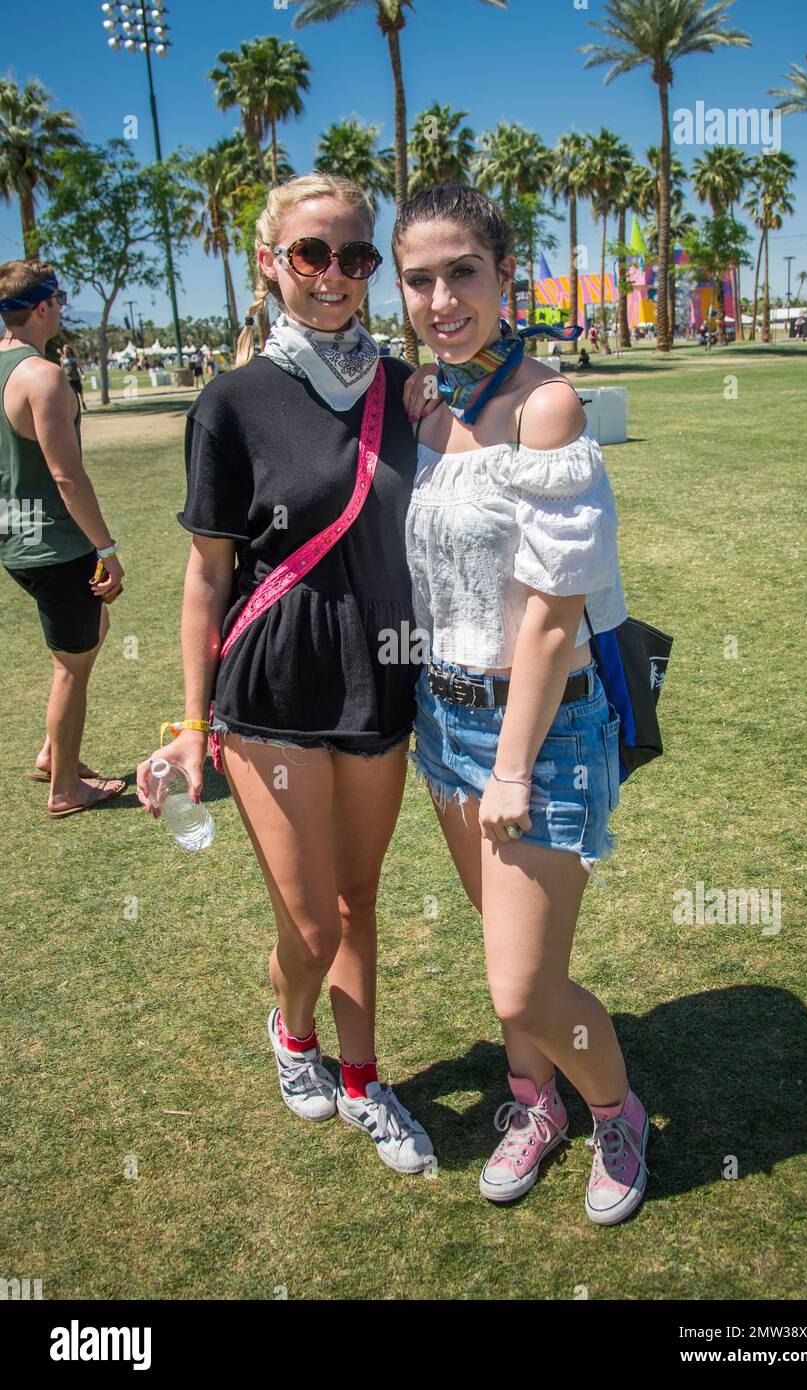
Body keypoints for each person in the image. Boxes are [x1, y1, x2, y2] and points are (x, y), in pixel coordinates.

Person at [135, 174, 434, 1176]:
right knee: (307, 921)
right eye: (313, 253)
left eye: (357, 257)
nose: (336, 276)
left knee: (357, 899)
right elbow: (204, 575)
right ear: (272, 262)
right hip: (268, 688)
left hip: (380, 681)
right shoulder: (231, 401)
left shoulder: (407, 389)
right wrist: (188, 720)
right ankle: (289, 1027)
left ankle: (361, 1077)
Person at [396, 186, 650, 1225]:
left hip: (535, 730)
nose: (442, 296)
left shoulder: (543, 404)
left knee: (520, 989)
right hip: (441, 719)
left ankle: (617, 1108)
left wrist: (509, 763)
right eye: (420, 278)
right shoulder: (428, 401)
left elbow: (552, 614)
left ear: (505, 274)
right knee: (502, 943)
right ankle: (532, 1101)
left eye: (463, 271)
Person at [0, 260, 125, 814]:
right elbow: (66, 476)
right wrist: (108, 549)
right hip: (56, 543)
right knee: (71, 664)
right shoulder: (43, 376)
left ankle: (57, 751)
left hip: (16, 539)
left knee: (93, 626)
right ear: (45, 306)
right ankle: (65, 787)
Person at [60, 343, 87, 412]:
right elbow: (62, 368)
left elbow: (79, 367)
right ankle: (72, 406)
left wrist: (82, 374)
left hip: (76, 377)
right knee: (70, 393)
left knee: (80, 392)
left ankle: (82, 402)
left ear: (69, 350)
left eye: (66, 350)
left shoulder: (74, 358)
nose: (65, 352)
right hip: (68, 378)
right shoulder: (62, 359)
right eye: (64, 350)